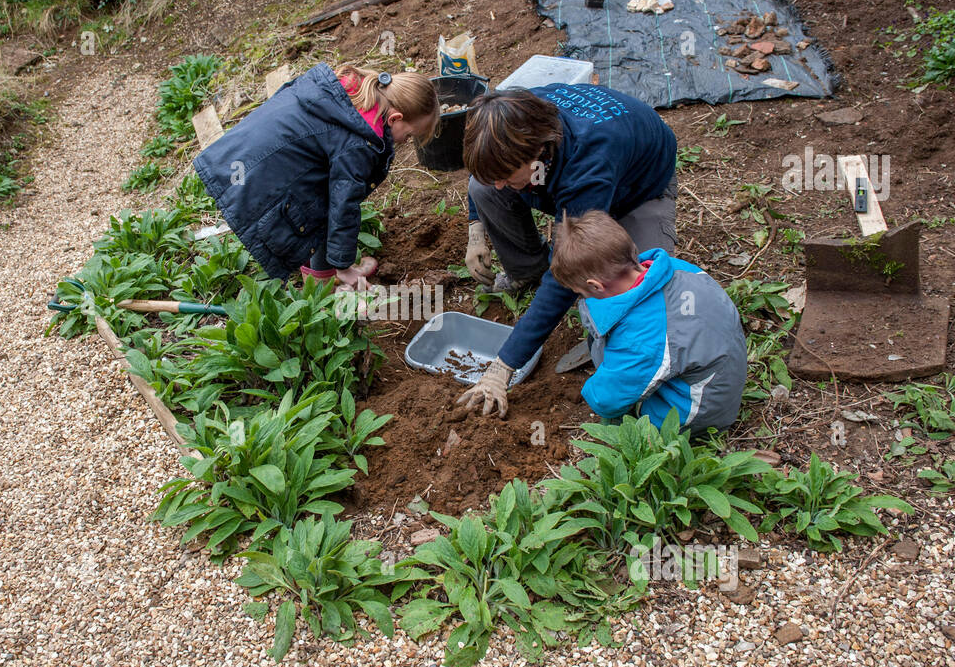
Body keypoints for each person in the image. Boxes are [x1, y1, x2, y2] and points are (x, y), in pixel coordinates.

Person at [456, 84, 678, 417]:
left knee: (638, 290)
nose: (499, 182)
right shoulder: (514, 117)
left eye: (504, 174)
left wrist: (503, 366)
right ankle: (527, 269)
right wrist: (476, 228)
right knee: (483, 189)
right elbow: (486, 173)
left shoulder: (590, 161)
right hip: (559, 178)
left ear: (537, 152)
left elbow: (565, 273)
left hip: (638, 191)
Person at [194, 63, 439, 287]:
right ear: (395, 118)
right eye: (408, 136)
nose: (405, 142)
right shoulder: (359, 143)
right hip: (256, 183)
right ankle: (325, 289)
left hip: (237, 158)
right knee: (319, 210)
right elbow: (343, 206)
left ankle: (326, 271)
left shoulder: (345, 90)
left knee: (319, 195)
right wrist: (342, 266)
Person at [548, 210, 746, 432]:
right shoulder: (676, 268)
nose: (583, 298)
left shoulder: (641, 338)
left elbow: (607, 401)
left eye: (581, 292)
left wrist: (591, 391)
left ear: (596, 286)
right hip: (719, 372)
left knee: (631, 421)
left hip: (697, 409)